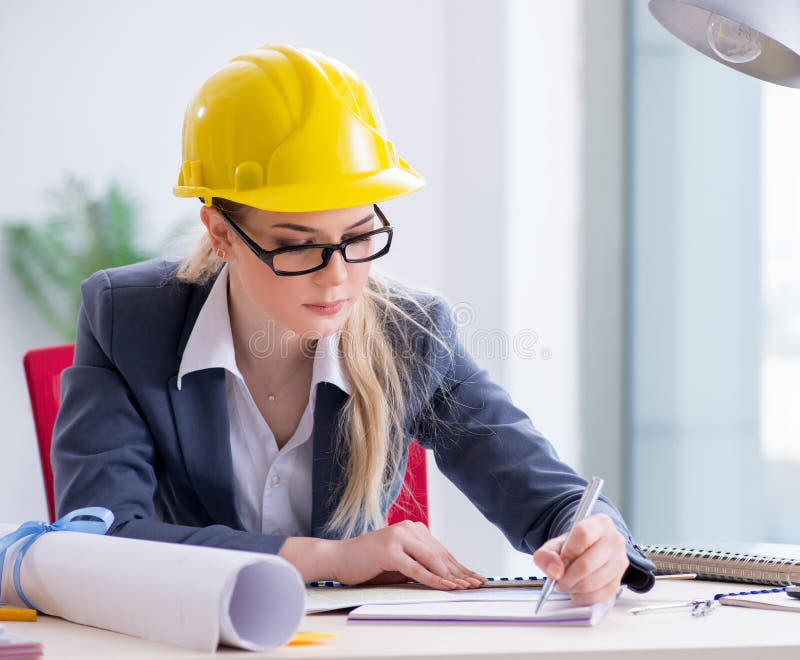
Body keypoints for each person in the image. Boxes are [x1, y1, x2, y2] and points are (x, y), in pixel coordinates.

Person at [52, 44, 655, 604]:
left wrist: (598, 543)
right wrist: (327, 557)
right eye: (297, 246)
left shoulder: (413, 334)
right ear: (220, 235)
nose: (337, 276)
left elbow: (546, 495)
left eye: (360, 236)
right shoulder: (125, 318)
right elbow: (100, 537)